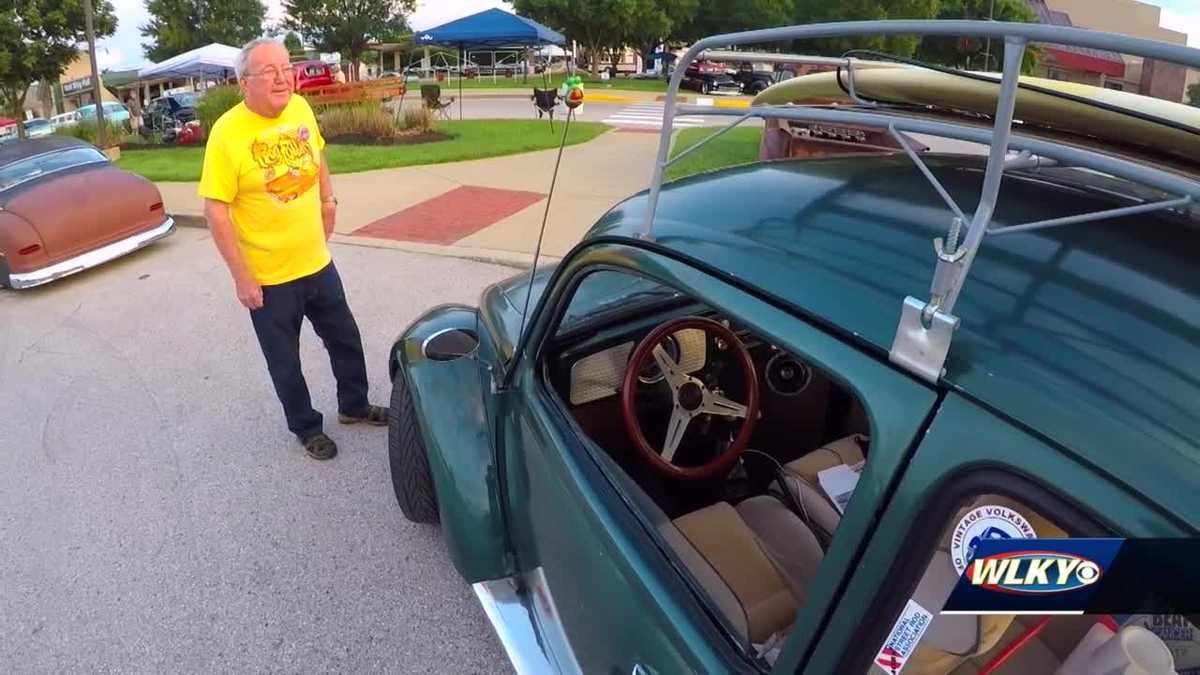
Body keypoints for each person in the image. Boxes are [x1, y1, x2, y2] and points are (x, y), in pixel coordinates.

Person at [199, 38, 387, 460]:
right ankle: (306, 427)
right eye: (270, 71)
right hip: (269, 278)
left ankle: (354, 405)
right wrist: (242, 277)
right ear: (243, 82)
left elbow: (317, 154)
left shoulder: (300, 108)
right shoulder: (227, 134)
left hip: (316, 261)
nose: (283, 77)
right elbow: (215, 211)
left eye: (287, 67)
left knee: (345, 339)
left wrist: (328, 200)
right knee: (285, 363)